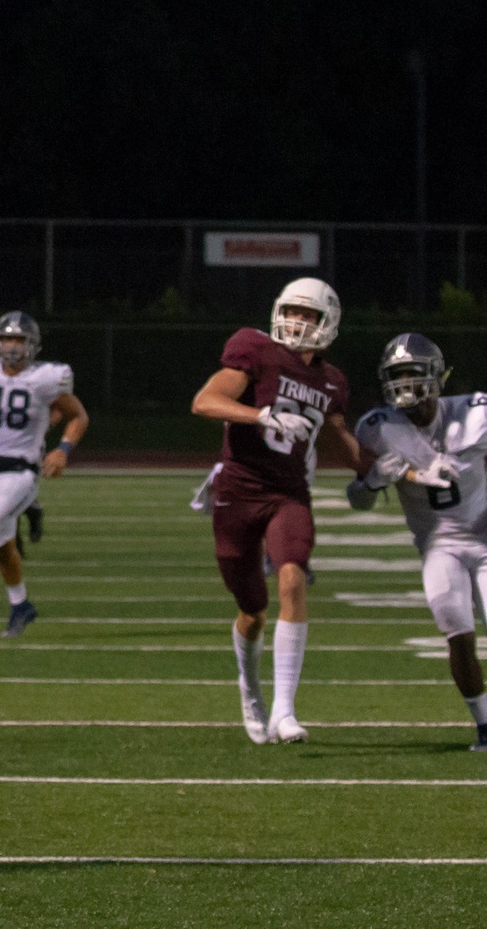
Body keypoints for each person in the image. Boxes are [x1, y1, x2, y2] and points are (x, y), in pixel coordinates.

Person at [190, 277, 359, 746]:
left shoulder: (331, 381)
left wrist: (387, 464)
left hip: (289, 492)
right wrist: (261, 415)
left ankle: (285, 710)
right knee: (252, 609)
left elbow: (346, 448)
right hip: (239, 489)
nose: (298, 322)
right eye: (292, 311)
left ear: (329, 324)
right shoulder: (255, 350)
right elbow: (205, 401)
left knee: (291, 578)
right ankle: (251, 690)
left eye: (309, 315)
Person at [346, 333, 487, 749]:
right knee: (453, 622)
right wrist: (372, 481)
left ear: (437, 374)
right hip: (438, 542)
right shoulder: (378, 428)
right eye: (397, 375)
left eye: (412, 372)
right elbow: (357, 502)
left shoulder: (474, 411)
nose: (405, 383)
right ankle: (484, 724)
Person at [0, 312, 89, 639]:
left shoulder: (46, 378)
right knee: (2, 545)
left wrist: (62, 449)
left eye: (19, 340)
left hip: (22, 471)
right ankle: (21, 605)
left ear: (32, 345)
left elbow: (78, 415)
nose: (12, 346)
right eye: (8, 338)